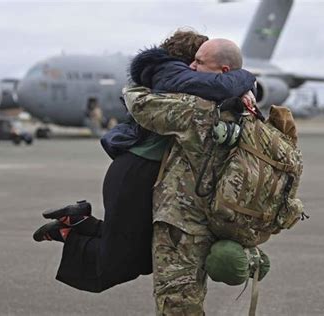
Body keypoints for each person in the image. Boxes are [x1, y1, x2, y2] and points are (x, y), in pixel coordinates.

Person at [32, 30, 256, 294]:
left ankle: (79, 223)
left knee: (140, 253)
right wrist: (246, 80)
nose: (195, 67)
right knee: (117, 262)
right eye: (194, 60)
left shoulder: (188, 86)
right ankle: (69, 232)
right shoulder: (170, 75)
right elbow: (215, 88)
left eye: (200, 62)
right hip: (135, 173)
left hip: (148, 175)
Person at [123, 38, 257, 315]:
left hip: (181, 226)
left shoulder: (198, 111)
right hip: (219, 219)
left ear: (222, 72)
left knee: (177, 303)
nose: (190, 67)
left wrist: (146, 79)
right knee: (190, 298)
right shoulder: (248, 111)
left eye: (198, 62)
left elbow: (140, 104)